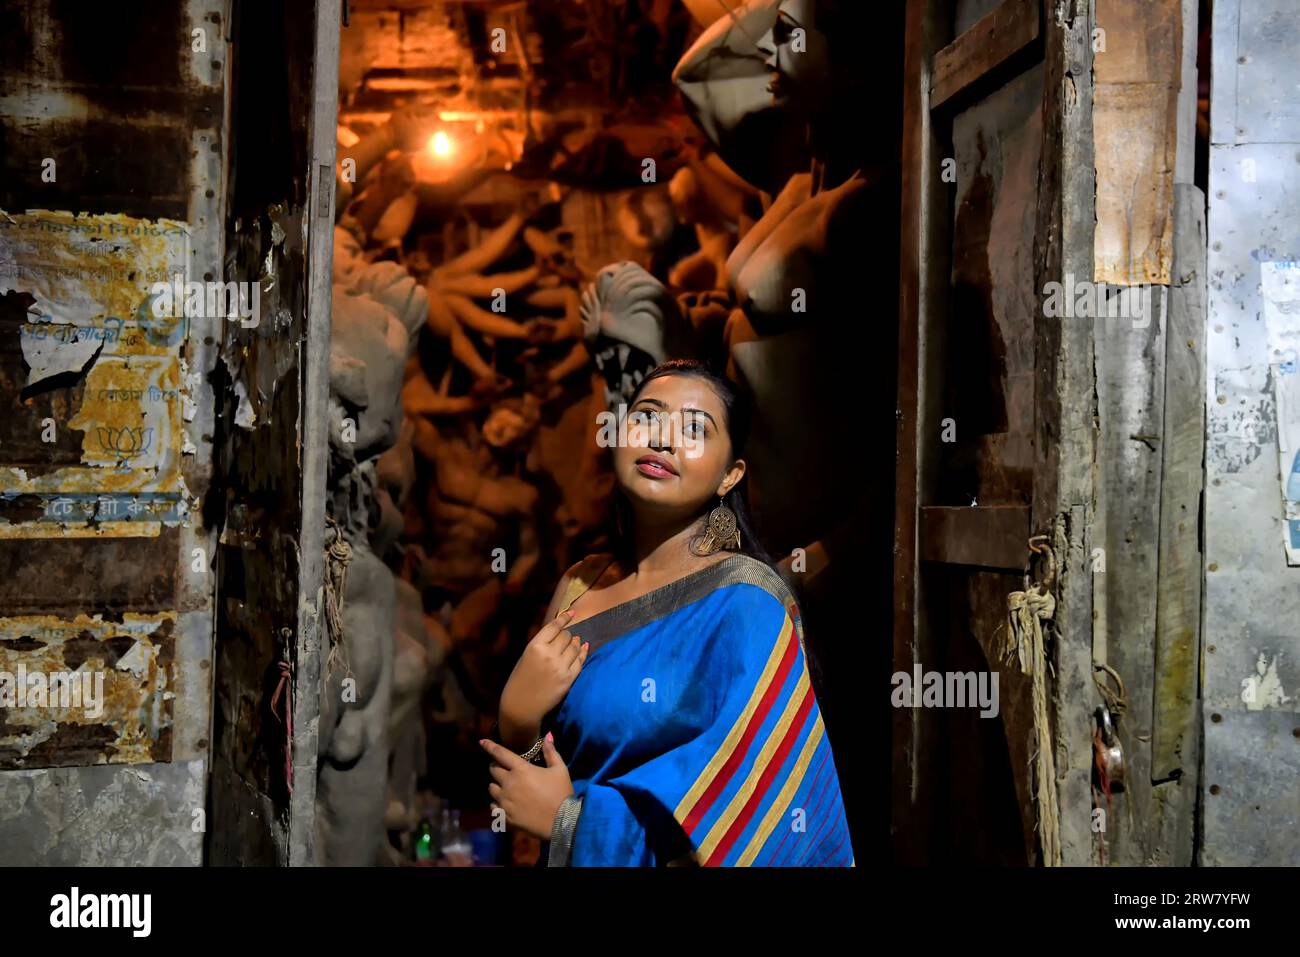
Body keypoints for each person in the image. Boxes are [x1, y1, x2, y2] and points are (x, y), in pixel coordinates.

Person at [479, 359, 854, 866]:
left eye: (696, 428)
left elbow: (751, 819)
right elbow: (531, 786)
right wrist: (518, 721)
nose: (663, 439)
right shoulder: (578, 586)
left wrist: (573, 822)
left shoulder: (747, 604)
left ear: (730, 475)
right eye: (647, 417)